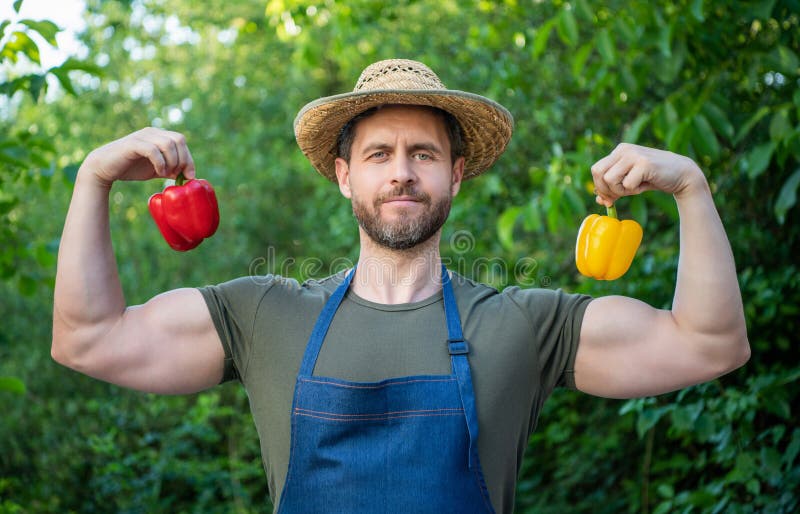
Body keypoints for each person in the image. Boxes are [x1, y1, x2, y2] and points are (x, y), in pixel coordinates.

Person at [51, 59, 750, 513]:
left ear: (457, 172)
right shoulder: (262, 315)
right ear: (344, 174)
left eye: (423, 154)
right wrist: (93, 178)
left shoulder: (527, 326)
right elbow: (88, 340)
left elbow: (709, 345)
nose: (402, 173)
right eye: (379, 154)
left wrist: (690, 187)